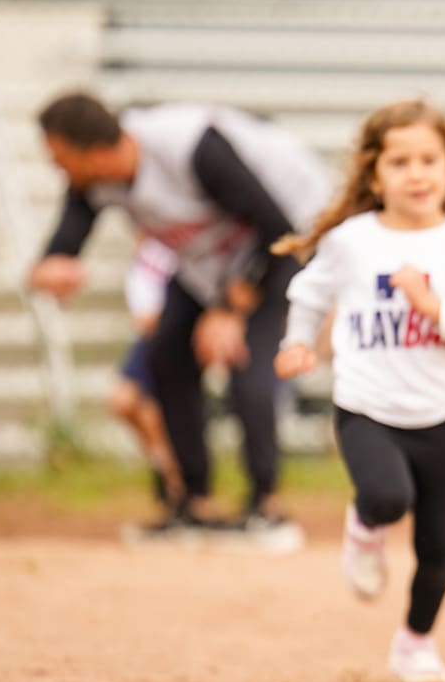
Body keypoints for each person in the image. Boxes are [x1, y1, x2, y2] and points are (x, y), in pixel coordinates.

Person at [28, 91, 330, 547]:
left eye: (60, 157)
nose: (57, 168)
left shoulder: (191, 147)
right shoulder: (97, 177)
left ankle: (265, 507)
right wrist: (52, 263)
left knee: (248, 362)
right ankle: (192, 502)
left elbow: (275, 225)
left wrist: (231, 310)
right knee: (166, 354)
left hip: (284, 243)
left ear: (94, 151)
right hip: (207, 262)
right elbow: (68, 234)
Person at [273, 99, 445, 682]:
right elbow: (309, 292)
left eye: (430, 159)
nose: (417, 173)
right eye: (400, 162)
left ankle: (415, 644)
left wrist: (433, 308)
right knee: (385, 496)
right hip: (365, 408)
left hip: (439, 417)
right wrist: (299, 343)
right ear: (375, 175)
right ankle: (364, 528)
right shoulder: (353, 241)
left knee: (438, 547)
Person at [113, 234, 184, 537]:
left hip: (166, 336)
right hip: (148, 339)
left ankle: (176, 489)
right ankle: (169, 473)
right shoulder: (147, 247)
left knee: (144, 407)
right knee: (128, 404)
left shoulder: (174, 245)